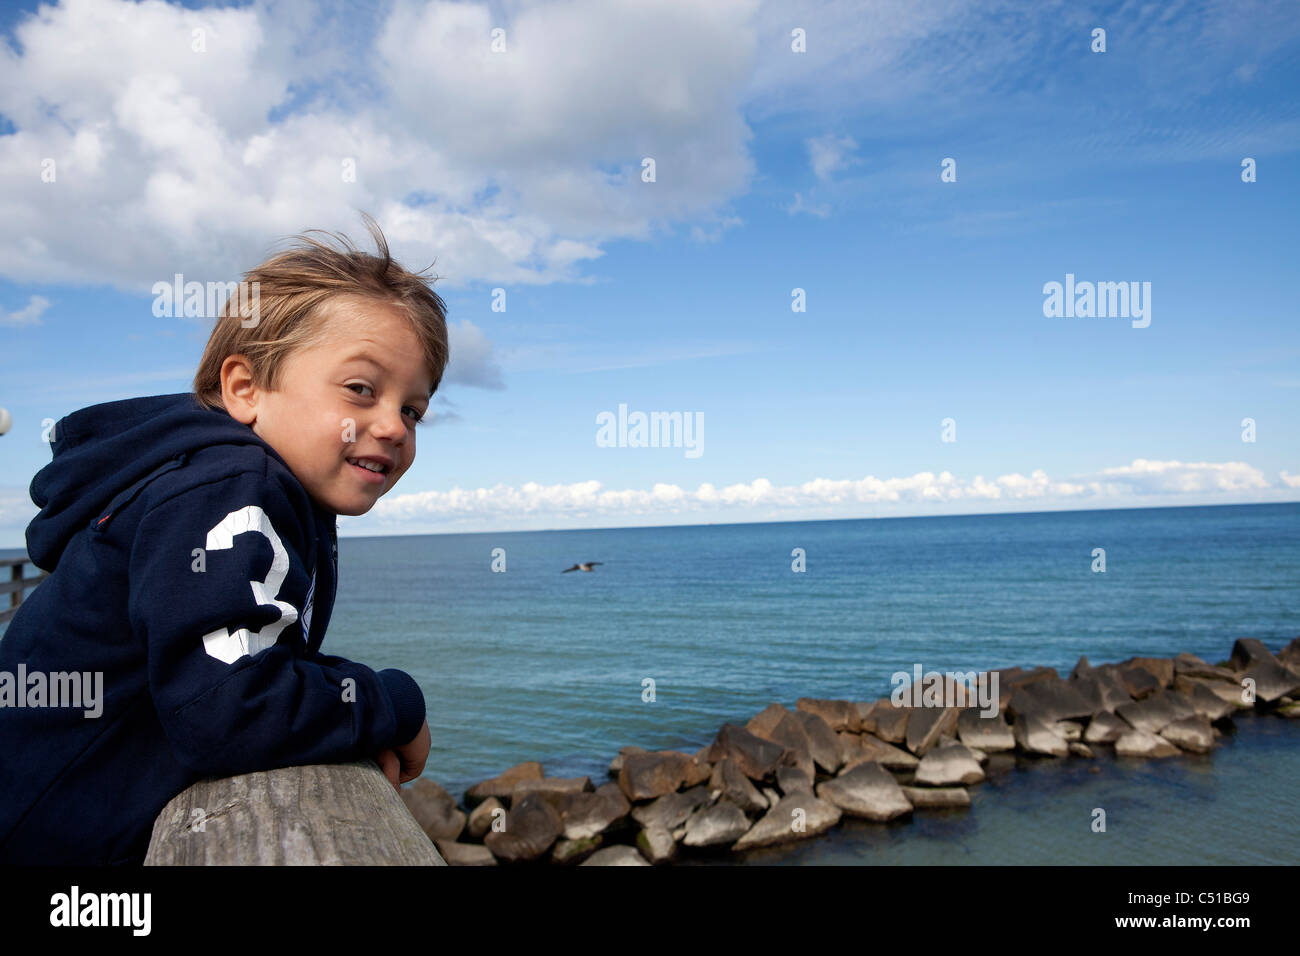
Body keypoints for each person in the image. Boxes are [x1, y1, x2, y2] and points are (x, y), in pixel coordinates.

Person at [0, 215, 445, 864]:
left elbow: (238, 659)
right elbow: (227, 710)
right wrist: (394, 703)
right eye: (360, 389)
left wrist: (341, 686)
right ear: (246, 388)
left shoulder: (216, 480)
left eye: (413, 409)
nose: (393, 426)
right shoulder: (232, 485)